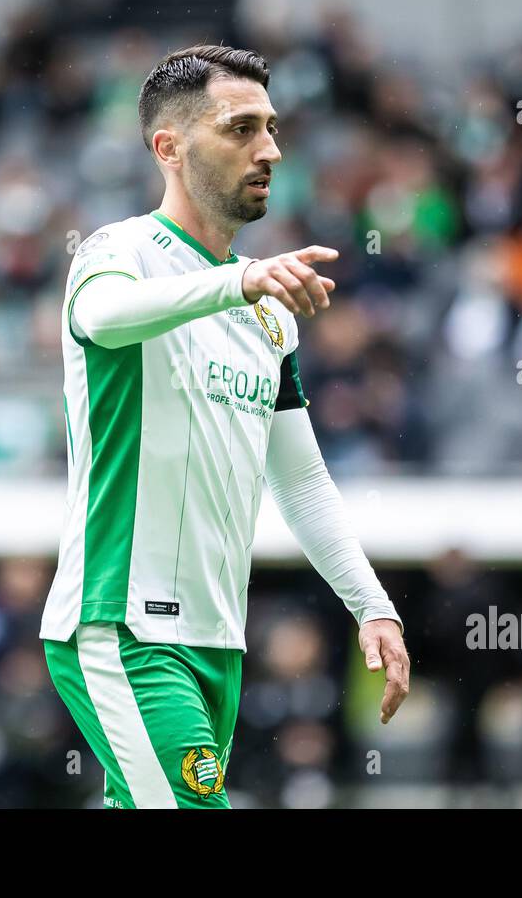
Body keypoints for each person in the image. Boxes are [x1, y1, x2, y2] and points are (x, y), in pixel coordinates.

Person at [39, 45, 409, 809]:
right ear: (168, 148)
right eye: (241, 129)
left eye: (271, 129)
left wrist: (370, 603)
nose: (269, 149)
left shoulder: (270, 313)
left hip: (218, 637)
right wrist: (236, 281)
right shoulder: (120, 250)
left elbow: (301, 478)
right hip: (123, 622)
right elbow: (99, 318)